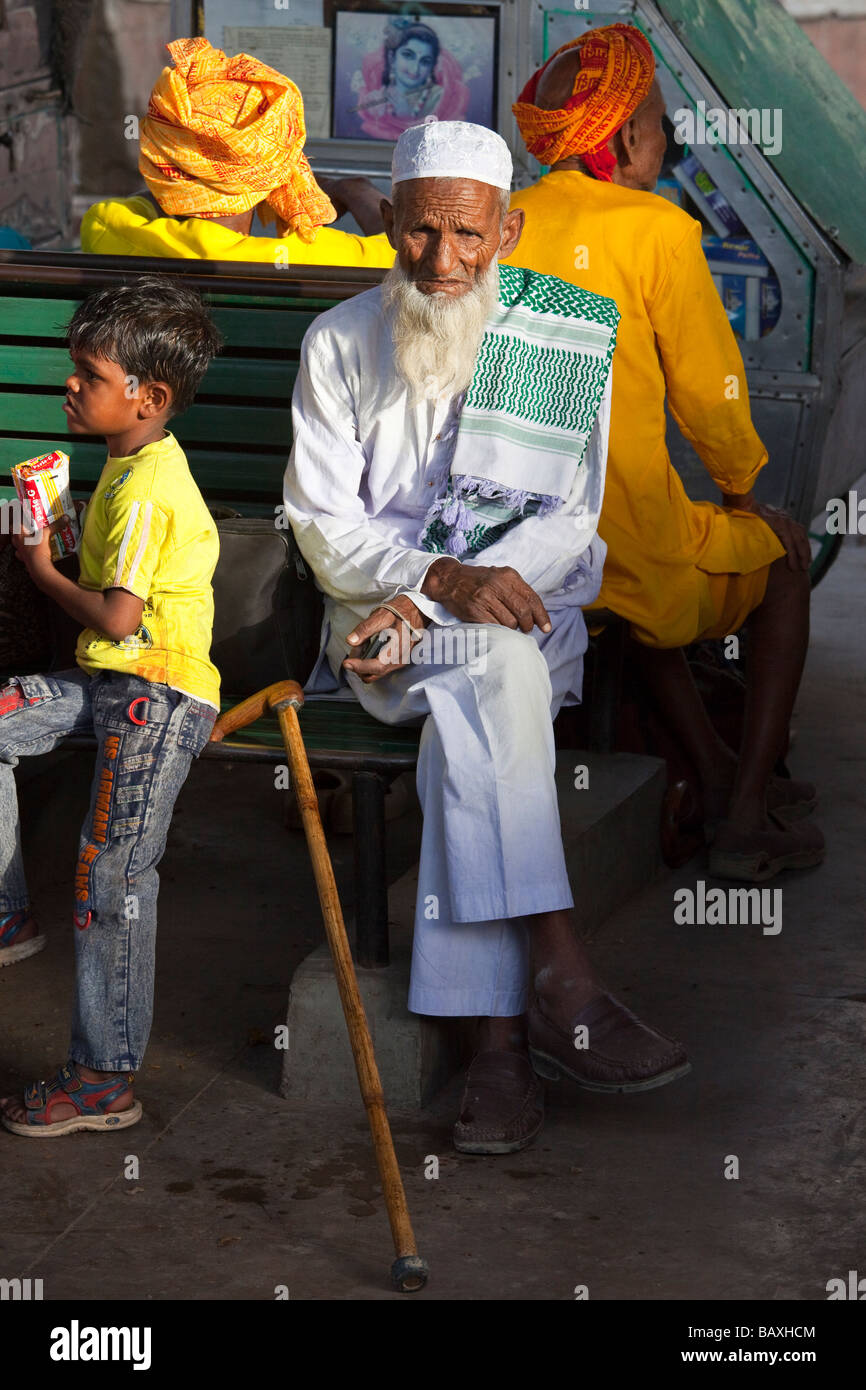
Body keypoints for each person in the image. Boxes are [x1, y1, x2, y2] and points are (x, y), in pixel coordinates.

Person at [283, 120, 690, 1155]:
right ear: (387, 227)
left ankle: (500, 1047)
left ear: (506, 229)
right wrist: (428, 582)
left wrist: (431, 593)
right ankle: (557, 976)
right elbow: (322, 521)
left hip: (482, 622)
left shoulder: (558, 333)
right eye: (419, 233)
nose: (443, 262)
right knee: (490, 682)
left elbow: (564, 519)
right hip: (374, 635)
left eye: (468, 237)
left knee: (490, 682)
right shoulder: (337, 344)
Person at [508, 24, 823, 881]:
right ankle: (745, 814)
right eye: (658, 127)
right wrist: (747, 495)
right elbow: (709, 396)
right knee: (779, 566)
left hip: (519, 535)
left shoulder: (501, 223)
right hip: (623, 543)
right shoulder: (660, 229)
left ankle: (717, 773)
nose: (665, 143)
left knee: (650, 568)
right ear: (623, 138)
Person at [0, 276, 221, 1136]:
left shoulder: (145, 490)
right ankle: (9, 914)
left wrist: (40, 570)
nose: (70, 387)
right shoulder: (127, 467)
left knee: (112, 876)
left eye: (87, 376)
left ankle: (102, 1077)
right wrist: (61, 538)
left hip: (155, 695)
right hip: (114, 683)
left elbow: (120, 616)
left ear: (148, 397)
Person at [81, 37, 394, 268]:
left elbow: (124, 207)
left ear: (165, 168)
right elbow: (400, 249)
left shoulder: (113, 233)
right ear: (269, 177)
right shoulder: (311, 256)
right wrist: (355, 189)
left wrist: (186, 167)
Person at [353, 18, 467, 139]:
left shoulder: (439, 98)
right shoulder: (375, 99)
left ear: (432, 67)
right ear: (392, 57)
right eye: (408, 55)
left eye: (425, 62)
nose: (415, 69)